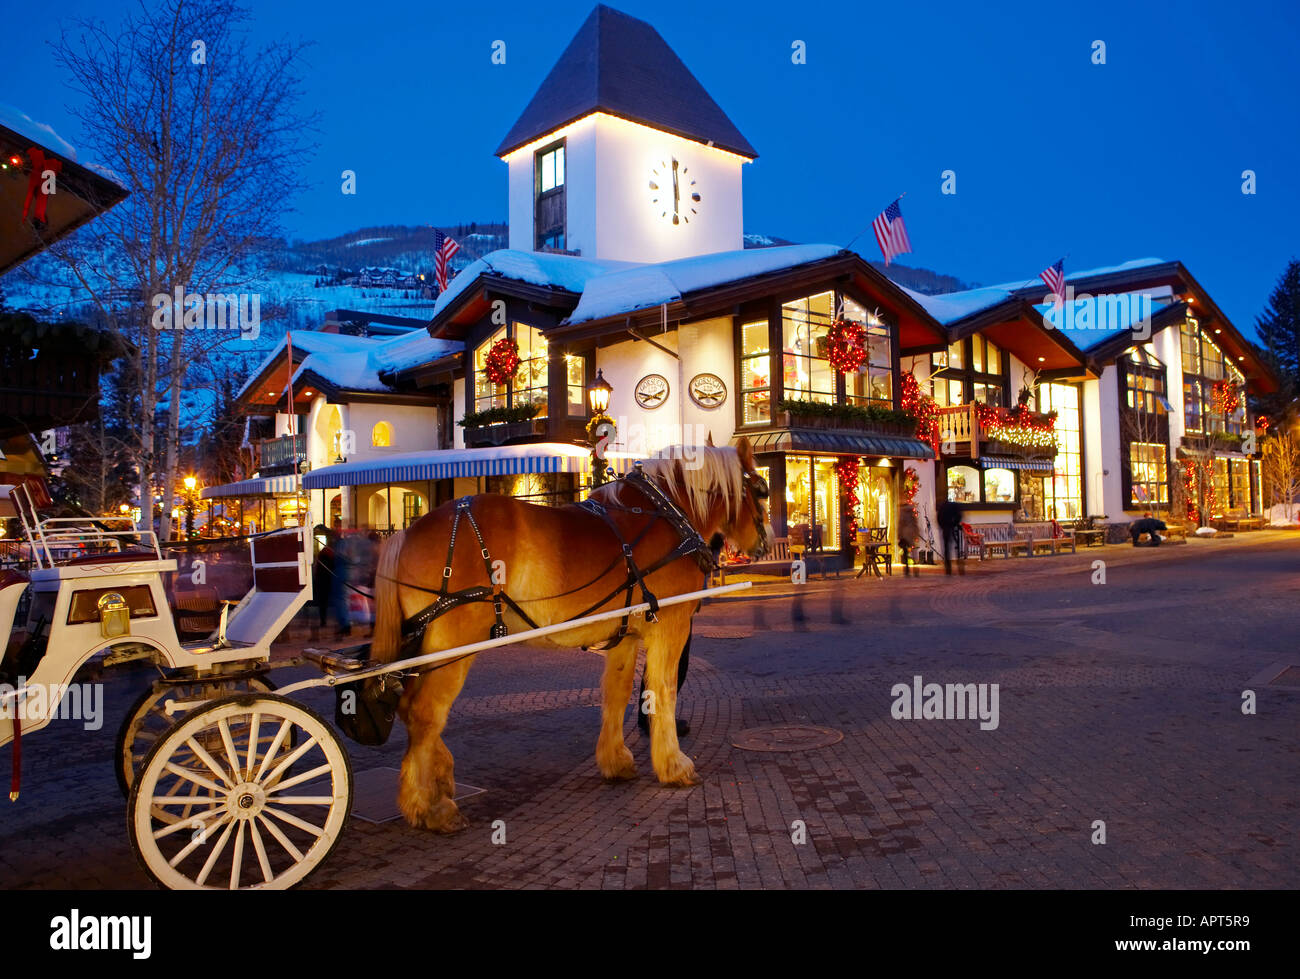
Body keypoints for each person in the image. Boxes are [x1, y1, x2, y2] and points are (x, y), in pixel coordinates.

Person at [936, 500, 965, 575]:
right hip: (953, 528)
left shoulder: (942, 507)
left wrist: (943, 527)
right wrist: (955, 523)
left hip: (946, 528)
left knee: (946, 548)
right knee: (957, 547)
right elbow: (959, 515)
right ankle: (959, 566)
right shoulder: (954, 506)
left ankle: (948, 568)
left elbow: (939, 519)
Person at [898, 504, 921, 576]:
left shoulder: (902, 513)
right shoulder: (912, 512)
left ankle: (907, 570)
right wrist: (916, 533)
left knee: (905, 552)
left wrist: (899, 534)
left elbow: (900, 524)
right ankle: (916, 569)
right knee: (914, 551)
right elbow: (915, 523)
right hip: (911, 533)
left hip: (905, 534)